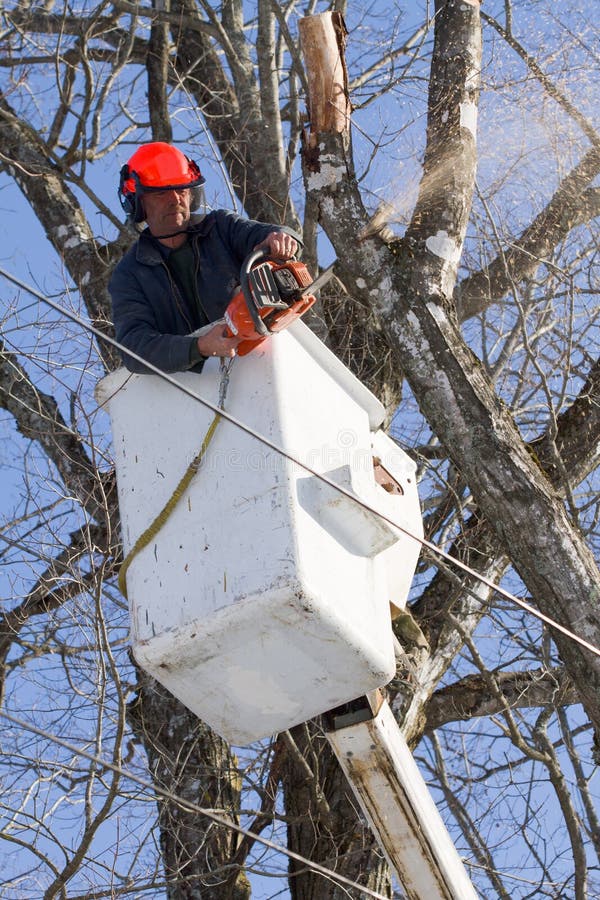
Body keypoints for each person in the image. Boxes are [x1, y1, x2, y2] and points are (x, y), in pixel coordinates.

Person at [109, 142, 300, 373]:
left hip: (261, 358)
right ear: (137, 203)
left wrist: (279, 240)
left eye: (181, 189)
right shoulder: (130, 274)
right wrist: (198, 347)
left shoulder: (221, 228)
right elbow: (134, 348)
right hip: (193, 389)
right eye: (161, 193)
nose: (175, 199)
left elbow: (273, 234)